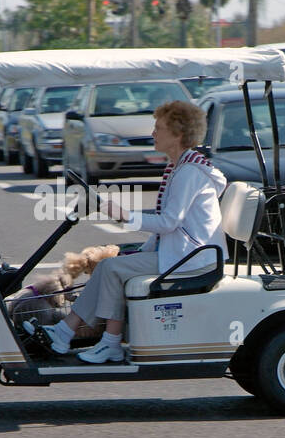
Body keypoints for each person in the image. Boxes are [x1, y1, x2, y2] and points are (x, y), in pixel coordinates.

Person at [30, 99, 227, 363]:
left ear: (178, 134)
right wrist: (139, 245)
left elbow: (168, 222)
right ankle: (75, 334)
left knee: (111, 267)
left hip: (191, 258)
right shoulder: (182, 167)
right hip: (183, 252)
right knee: (111, 265)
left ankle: (89, 338)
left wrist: (125, 215)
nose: (153, 133)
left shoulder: (189, 172)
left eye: (159, 128)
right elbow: (170, 226)